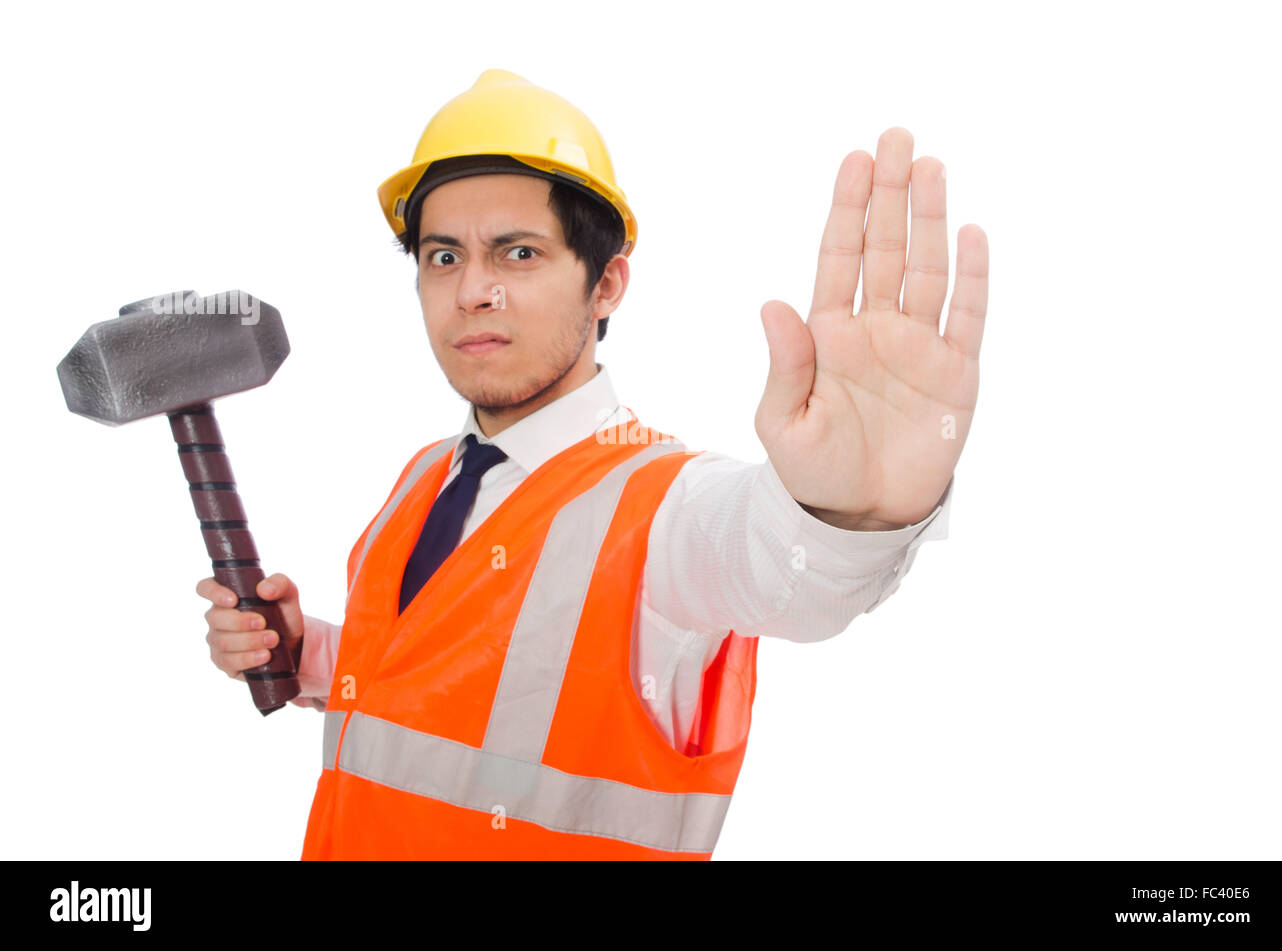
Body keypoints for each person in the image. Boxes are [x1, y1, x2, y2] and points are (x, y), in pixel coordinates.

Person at [199, 69, 988, 859]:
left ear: (606, 282)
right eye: (443, 256)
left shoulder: (661, 508)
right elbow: (451, 692)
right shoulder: (427, 474)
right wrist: (313, 657)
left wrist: (849, 515)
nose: (474, 290)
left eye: (517, 252)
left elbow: (779, 568)